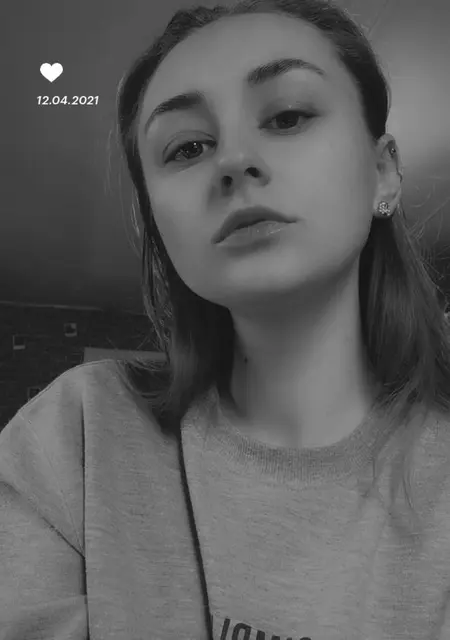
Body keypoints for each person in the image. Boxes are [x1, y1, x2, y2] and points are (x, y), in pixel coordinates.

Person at [2, 0, 450, 638]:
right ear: (158, 223)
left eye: (288, 116)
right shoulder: (74, 437)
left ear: (382, 172)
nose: (234, 161)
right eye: (187, 147)